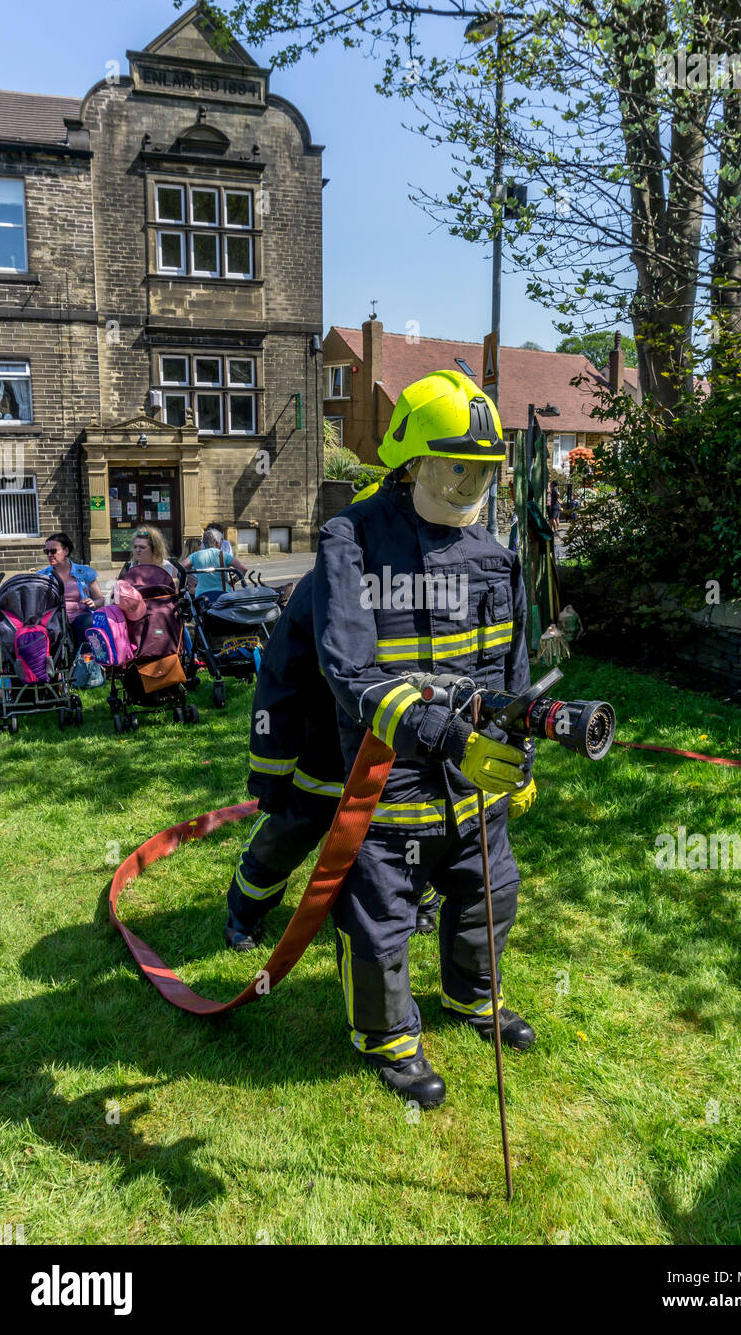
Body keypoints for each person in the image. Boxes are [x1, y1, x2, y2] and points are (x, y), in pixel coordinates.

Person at [312, 370, 537, 1109]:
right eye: (455, 465)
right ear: (410, 461)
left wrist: (522, 744)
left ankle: (473, 997)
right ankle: (386, 1035)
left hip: (476, 784)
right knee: (381, 918)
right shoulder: (351, 541)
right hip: (391, 782)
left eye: (482, 467)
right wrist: (440, 735)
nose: (470, 481)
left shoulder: (496, 557)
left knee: (487, 894)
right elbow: (351, 672)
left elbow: (515, 667)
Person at [224, 522, 441, 953]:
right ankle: (244, 913)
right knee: (290, 833)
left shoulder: (422, 585)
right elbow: (279, 681)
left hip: (396, 753)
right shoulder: (317, 590)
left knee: (406, 835)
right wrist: (270, 772)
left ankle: (419, 902)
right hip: (321, 751)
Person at [37, 533, 102, 649]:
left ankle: (87, 662)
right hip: (54, 620)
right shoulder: (42, 576)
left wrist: (93, 603)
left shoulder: (85, 572)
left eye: (53, 551)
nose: (49, 555)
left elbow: (100, 599)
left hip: (80, 616)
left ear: (66, 551)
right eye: (46, 552)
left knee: (88, 622)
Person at [180, 526, 246, 604]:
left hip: (201, 595)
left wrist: (191, 579)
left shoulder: (196, 555)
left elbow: (180, 567)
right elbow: (243, 569)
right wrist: (233, 581)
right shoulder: (223, 555)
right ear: (217, 543)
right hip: (223, 594)